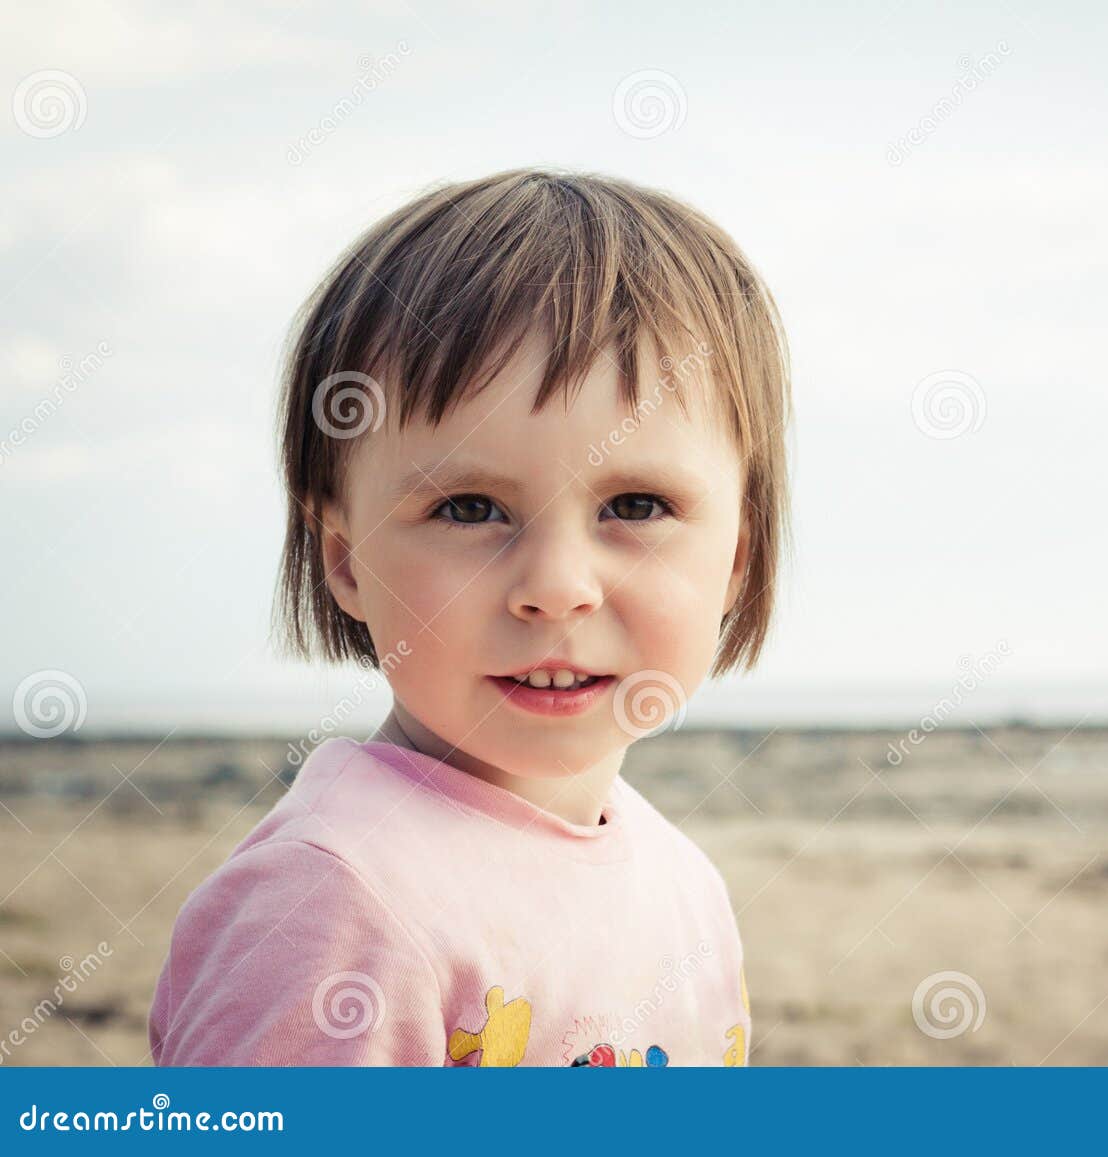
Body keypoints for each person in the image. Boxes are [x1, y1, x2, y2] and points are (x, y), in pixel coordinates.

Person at [147, 169, 790, 1066]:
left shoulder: (685, 885)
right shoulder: (334, 907)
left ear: (737, 555)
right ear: (344, 560)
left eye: (637, 505)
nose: (558, 586)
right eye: (469, 508)